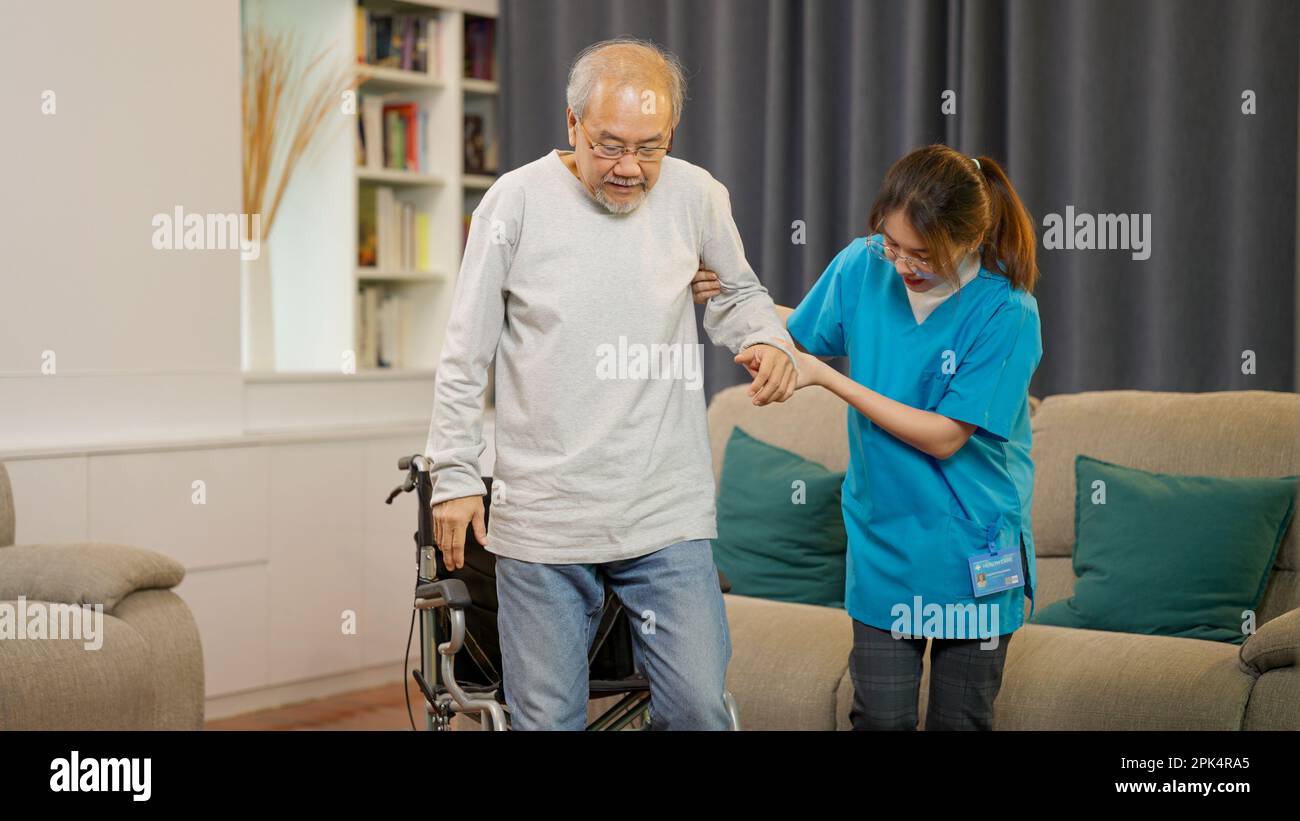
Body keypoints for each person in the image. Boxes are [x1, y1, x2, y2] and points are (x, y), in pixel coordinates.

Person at [425, 37, 798, 730]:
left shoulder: (696, 196)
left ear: (672, 135)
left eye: (650, 148)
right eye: (610, 145)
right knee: (547, 721)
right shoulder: (515, 202)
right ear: (572, 125)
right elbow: (463, 353)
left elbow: (739, 295)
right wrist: (453, 473)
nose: (630, 167)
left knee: (699, 709)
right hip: (544, 516)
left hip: (665, 511)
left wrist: (766, 339)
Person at [693, 144, 1043, 730]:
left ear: (969, 240)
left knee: (961, 722)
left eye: (922, 254)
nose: (901, 264)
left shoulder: (1008, 312)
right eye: (891, 243)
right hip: (884, 543)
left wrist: (828, 378)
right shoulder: (864, 264)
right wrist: (733, 299)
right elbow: (802, 328)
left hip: (974, 553)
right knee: (878, 721)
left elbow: (944, 437)